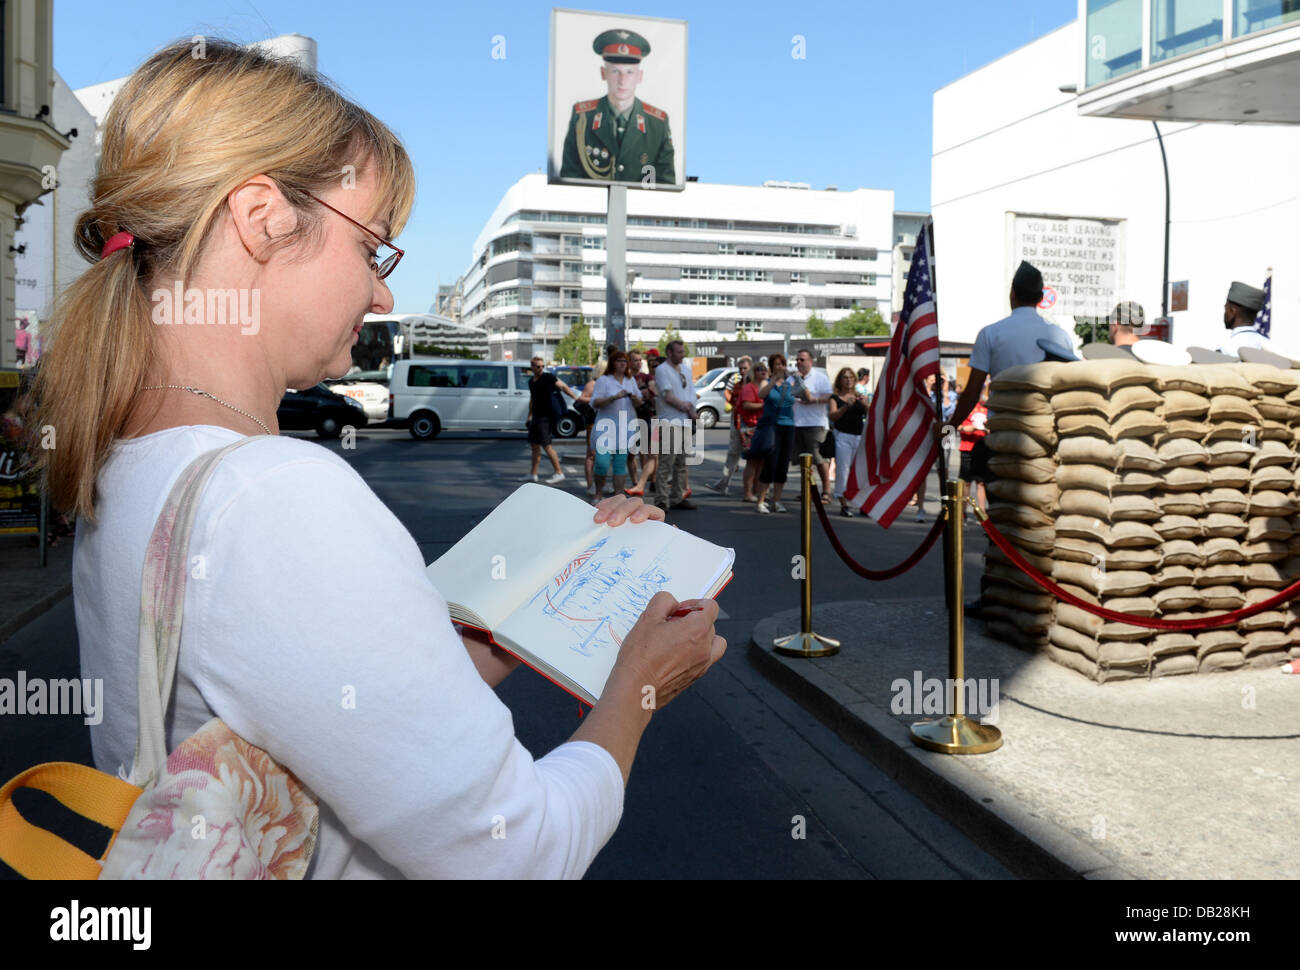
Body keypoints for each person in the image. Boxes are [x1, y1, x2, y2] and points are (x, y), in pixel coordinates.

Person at [27, 39, 726, 880]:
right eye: (371, 247)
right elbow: (517, 852)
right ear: (260, 219)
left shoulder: (134, 460)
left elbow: (337, 714)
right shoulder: (274, 496)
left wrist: (527, 607)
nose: (383, 291)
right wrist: (637, 693)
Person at [940, 259, 1076, 613]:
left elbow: (970, 394)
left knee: (999, 521)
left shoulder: (992, 332)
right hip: (1046, 441)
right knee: (1042, 520)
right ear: (1040, 296)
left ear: (1013, 295)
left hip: (1003, 440)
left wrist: (949, 425)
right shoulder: (1059, 334)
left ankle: (994, 595)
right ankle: (1040, 597)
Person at [559, 29, 675, 185]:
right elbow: (569, 178)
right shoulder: (583, 117)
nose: (622, 80)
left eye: (629, 72)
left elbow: (665, 185)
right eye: (615, 71)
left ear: (640, 76)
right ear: (603, 73)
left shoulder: (657, 123)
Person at [589, 350, 642, 501]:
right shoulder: (604, 380)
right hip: (606, 428)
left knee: (620, 464)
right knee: (602, 463)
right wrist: (613, 397)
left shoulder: (630, 380)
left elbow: (639, 402)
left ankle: (618, 495)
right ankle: (598, 493)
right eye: (619, 361)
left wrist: (633, 397)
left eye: (624, 361)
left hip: (625, 428)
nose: (622, 364)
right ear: (612, 363)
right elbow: (595, 402)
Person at [652, 339, 697, 511]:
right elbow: (667, 395)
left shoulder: (685, 369)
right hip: (669, 421)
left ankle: (678, 496)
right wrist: (686, 406)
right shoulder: (662, 370)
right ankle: (661, 500)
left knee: (682, 462)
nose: (682, 354)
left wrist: (691, 408)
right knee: (666, 463)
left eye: (682, 351)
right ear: (669, 353)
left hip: (684, 421)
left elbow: (691, 391)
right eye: (679, 352)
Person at [526, 355, 581, 483]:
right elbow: (532, 399)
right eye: (538, 366)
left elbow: (563, 386)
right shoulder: (531, 381)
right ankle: (533, 474)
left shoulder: (548, 377)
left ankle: (559, 472)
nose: (541, 368)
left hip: (546, 417)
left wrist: (575, 398)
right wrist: (529, 415)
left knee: (546, 445)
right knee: (534, 445)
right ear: (532, 367)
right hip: (536, 416)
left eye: (542, 366)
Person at [754, 353, 797, 514]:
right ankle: (761, 500)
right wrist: (774, 379)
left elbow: (803, 395)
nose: (780, 367)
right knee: (770, 464)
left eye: (782, 364)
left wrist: (795, 379)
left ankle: (776, 501)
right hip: (773, 427)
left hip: (788, 426)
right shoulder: (767, 382)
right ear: (772, 367)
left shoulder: (790, 383)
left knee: (782, 466)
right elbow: (761, 394)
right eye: (777, 364)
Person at [791, 348, 833, 502]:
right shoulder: (793, 378)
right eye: (797, 360)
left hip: (816, 423)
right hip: (797, 423)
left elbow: (829, 396)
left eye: (802, 360)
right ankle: (807, 489)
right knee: (803, 459)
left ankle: (826, 491)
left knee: (819, 458)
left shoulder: (819, 377)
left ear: (810, 361)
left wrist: (813, 400)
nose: (798, 362)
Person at [708, 355, 751, 496]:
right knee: (733, 453)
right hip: (737, 420)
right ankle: (724, 483)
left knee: (754, 458)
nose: (742, 371)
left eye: (745, 368)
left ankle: (756, 489)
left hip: (752, 424)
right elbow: (730, 394)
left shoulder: (757, 383)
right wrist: (733, 404)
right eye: (740, 368)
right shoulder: (737, 381)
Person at [827, 367, 867, 517]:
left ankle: (862, 503)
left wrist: (865, 405)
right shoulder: (835, 397)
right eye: (845, 377)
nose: (848, 380)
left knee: (861, 471)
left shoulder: (860, 396)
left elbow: (871, 413)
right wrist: (845, 406)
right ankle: (844, 504)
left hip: (859, 436)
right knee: (843, 471)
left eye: (851, 377)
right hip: (843, 436)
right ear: (840, 380)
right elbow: (833, 416)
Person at [625, 347, 658, 496]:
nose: (638, 363)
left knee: (649, 451)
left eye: (640, 360)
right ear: (629, 362)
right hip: (628, 418)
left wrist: (648, 393)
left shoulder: (646, 378)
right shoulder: (625, 378)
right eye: (635, 360)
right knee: (631, 453)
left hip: (645, 417)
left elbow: (654, 393)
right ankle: (635, 481)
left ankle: (651, 481)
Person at [737, 361, 767, 502]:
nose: (763, 371)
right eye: (759, 369)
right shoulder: (749, 387)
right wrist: (763, 405)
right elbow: (746, 405)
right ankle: (748, 493)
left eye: (765, 369)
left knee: (760, 462)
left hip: (761, 427)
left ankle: (756, 490)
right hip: (750, 427)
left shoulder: (766, 386)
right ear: (754, 372)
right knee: (752, 462)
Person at [957, 382, 990, 514]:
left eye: (981, 389)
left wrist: (988, 429)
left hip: (982, 446)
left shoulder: (986, 407)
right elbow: (955, 425)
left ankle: (982, 512)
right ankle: (963, 512)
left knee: (981, 482)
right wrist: (966, 429)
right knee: (966, 482)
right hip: (967, 447)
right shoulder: (964, 406)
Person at [1217, 281, 1273, 357]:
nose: (1225, 313)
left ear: (1232, 311)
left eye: (1226, 309)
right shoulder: (1269, 347)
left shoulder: (1224, 350)